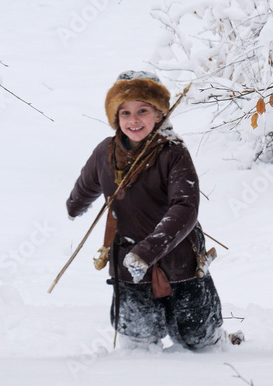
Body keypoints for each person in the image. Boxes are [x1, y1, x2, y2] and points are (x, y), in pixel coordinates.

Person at [67, 71, 225, 350]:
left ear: (160, 114)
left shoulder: (173, 152)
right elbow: (85, 187)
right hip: (128, 263)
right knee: (138, 342)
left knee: (198, 339)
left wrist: (148, 250)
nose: (134, 120)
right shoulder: (105, 152)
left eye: (143, 110)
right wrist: (75, 206)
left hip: (181, 261)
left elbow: (185, 207)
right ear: (115, 117)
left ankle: (219, 347)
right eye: (125, 112)